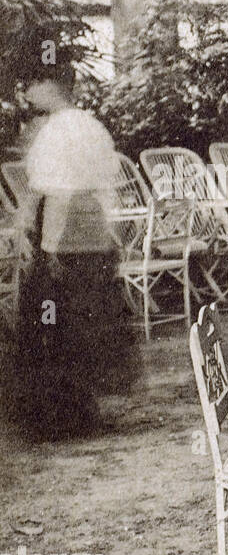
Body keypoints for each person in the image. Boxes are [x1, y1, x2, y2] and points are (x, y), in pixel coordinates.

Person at [3, 67, 138, 440]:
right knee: (76, 326)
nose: (29, 92)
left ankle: (60, 419)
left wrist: (48, 250)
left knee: (53, 326)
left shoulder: (61, 130)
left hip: (67, 237)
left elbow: (59, 194)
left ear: (51, 86)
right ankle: (77, 412)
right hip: (93, 237)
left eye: (34, 84)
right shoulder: (90, 127)